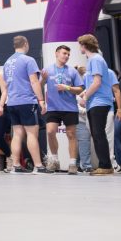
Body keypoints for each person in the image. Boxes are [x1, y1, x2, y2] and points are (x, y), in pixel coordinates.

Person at [0, 37, 46, 174]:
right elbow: (34, 82)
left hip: (12, 103)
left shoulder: (7, 63)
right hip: (26, 101)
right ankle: (38, 166)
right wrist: (41, 100)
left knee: (17, 134)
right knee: (31, 134)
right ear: (26, 44)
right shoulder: (28, 60)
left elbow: (6, 87)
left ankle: (16, 166)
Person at [76, 34, 121, 176]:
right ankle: (105, 164)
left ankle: (105, 165)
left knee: (98, 134)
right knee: (97, 134)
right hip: (95, 102)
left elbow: (97, 83)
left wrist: (86, 96)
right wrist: (85, 94)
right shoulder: (94, 60)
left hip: (99, 102)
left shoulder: (95, 59)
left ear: (84, 46)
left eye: (80, 45)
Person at [40, 45, 83, 174]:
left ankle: (72, 164)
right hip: (53, 107)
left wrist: (67, 88)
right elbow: (39, 85)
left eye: (68, 54)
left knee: (71, 134)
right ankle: (54, 160)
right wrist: (43, 79)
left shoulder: (72, 71)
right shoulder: (47, 69)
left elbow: (80, 89)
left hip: (70, 108)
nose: (66, 56)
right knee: (50, 132)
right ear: (57, 54)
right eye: (64, 53)